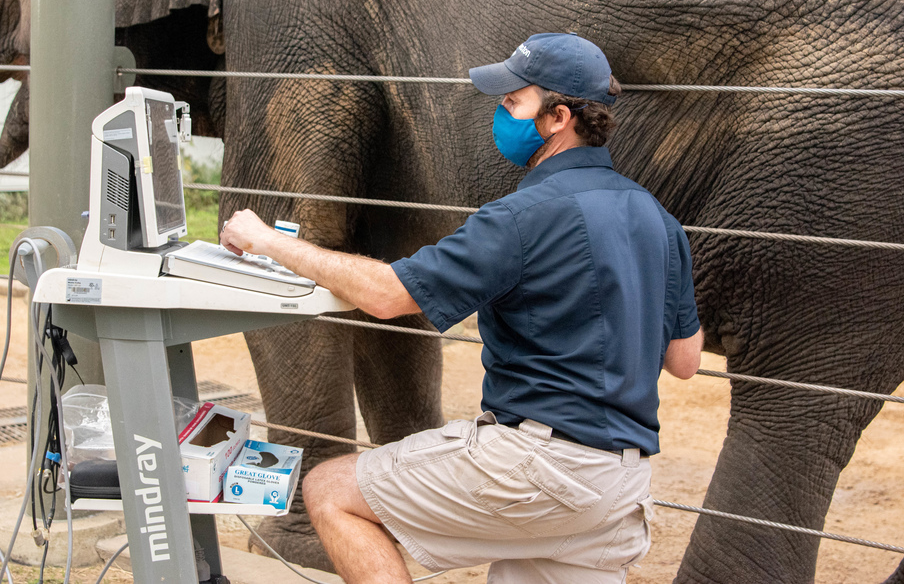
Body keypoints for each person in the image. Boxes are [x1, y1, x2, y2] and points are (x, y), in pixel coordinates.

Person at [220, 32, 703, 583]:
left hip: (538, 467)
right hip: (622, 486)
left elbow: (386, 295)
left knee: (329, 490)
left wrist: (268, 241)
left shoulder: (520, 218)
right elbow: (685, 359)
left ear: (557, 117)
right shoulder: (659, 221)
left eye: (512, 102)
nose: (499, 113)